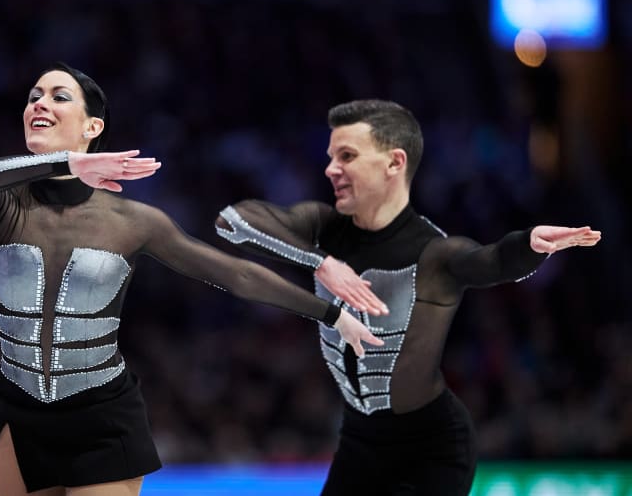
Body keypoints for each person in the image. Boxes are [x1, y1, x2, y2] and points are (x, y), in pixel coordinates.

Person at [0, 63, 383, 496]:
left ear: (92, 126)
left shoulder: (131, 221)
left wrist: (331, 313)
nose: (39, 103)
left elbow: (234, 273)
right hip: (18, 412)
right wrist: (68, 162)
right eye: (33, 96)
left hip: (101, 413)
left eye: (58, 96)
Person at [215, 99, 601, 495]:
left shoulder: (433, 252)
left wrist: (529, 245)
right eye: (331, 157)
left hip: (430, 447)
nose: (331, 169)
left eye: (347, 156)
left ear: (394, 163)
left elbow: (492, 261)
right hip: (359, 440)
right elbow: (232, 222)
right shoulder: (321, 228)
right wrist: (320, 262)